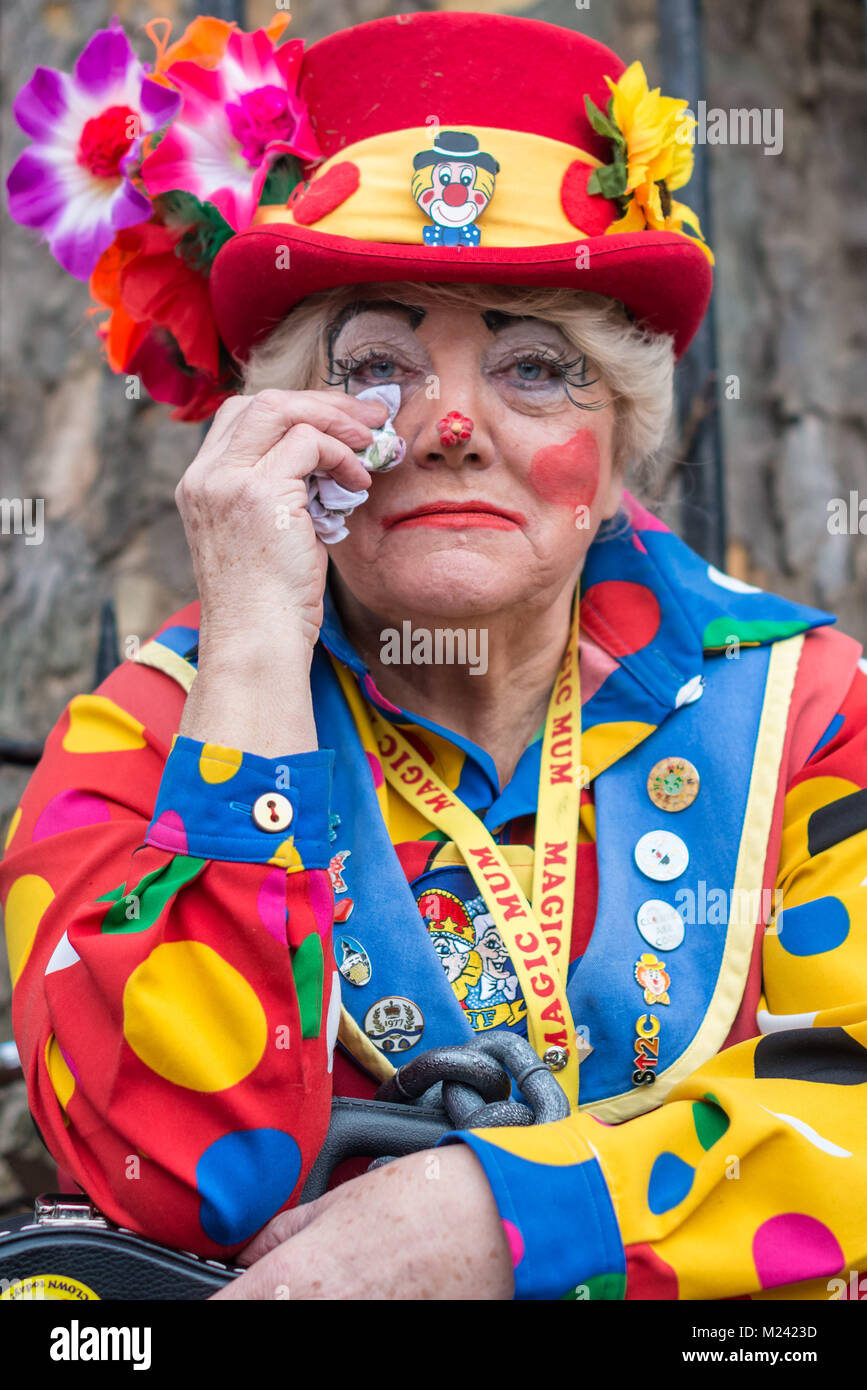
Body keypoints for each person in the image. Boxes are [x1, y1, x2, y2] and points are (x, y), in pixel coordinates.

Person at [2, 9, 865, 1302]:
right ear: (282, 416)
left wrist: (507, 1215)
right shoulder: (137, 739)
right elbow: (176, 1173)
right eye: (380, 368)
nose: (454, 423)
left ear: (620, 436)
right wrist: (248, 657)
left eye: (534, 364)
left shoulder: (810, 705)